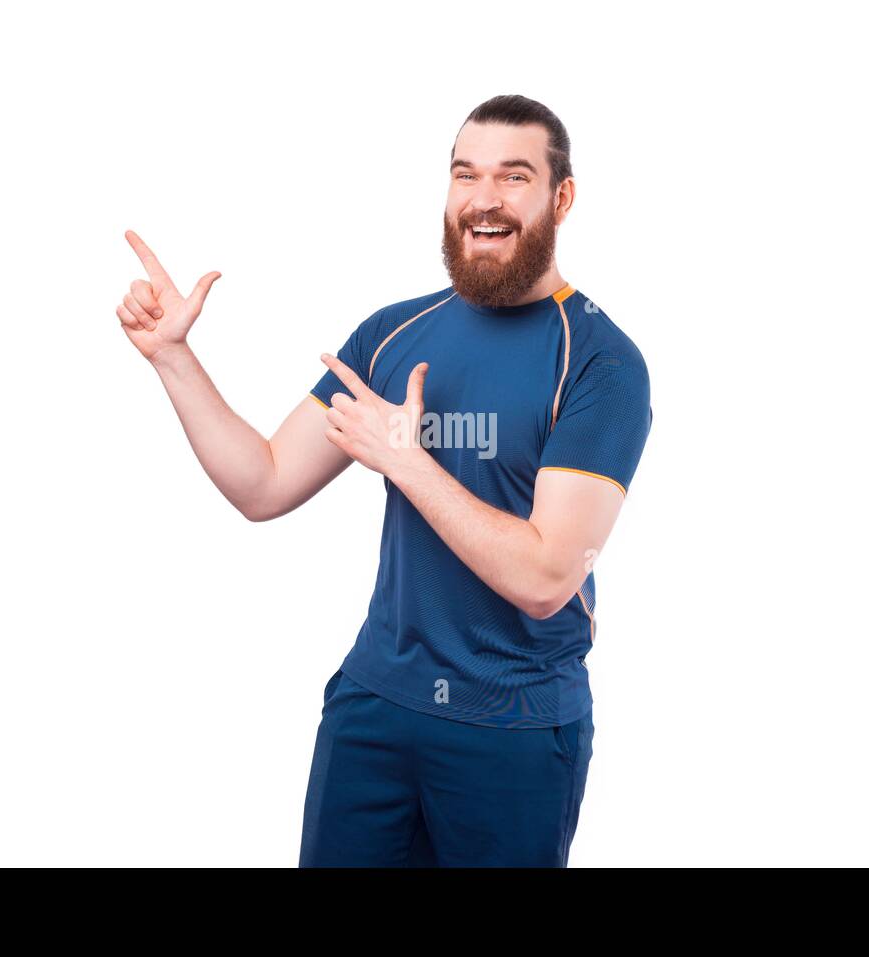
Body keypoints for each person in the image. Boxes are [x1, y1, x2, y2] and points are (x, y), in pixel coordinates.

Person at [113, 94, 652, 867]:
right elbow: (263, 483)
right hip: (374, 711)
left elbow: (545, 576)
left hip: (514, 729)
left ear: (561, 198)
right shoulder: (394, 332)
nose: (484, 199)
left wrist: (405, 460)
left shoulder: (601, 360)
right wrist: (172, 356)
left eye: (513, 176)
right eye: (466, 174)